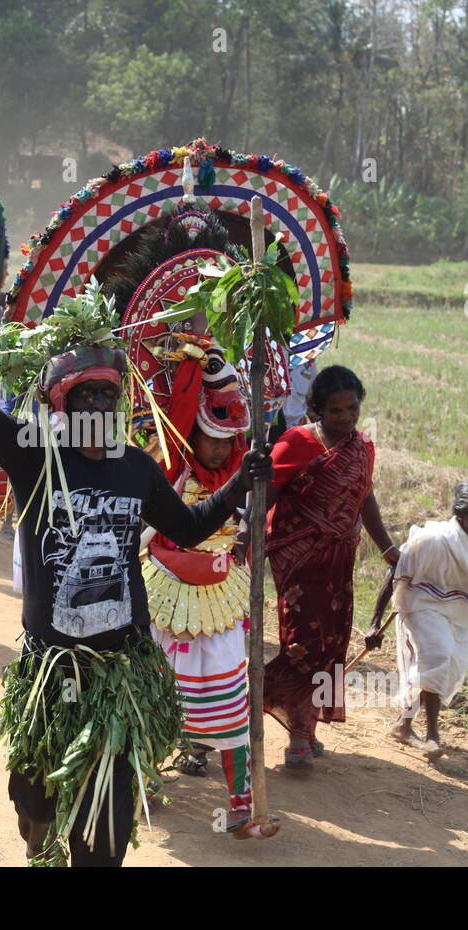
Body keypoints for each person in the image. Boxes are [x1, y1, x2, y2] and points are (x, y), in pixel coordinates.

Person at [0, 252, 272, 866]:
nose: (95, 406)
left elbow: (189, 526)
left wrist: (237, 488)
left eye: (105, 395)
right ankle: (37, 831)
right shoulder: (35, 457)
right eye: (82, 396)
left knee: (107, 830)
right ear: (61, 407)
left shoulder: (136, 468)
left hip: (119, 669)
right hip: (53, 669)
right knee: (35, 800)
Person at [143, 346, 278, 840]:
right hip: (166, 601)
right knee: (159, 695)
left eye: (229, 439)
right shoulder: (169, 466)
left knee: (232, 704)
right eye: (211, 437)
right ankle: (145, 780)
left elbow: (249, 528)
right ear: (189, 431)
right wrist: (190, 362)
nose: (221, 449)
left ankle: (243, 808)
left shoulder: (243, 472)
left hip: (222, 602)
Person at [263, 365, 400, 770]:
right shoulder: (296, 443)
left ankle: (304, 726)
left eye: (352, 409)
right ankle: (292, 730)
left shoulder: (361, 448)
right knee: (302, 642)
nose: (345, 418)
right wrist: (245, 543)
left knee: (330, 644)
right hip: (299, 560)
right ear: (317, 409)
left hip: (340, 559)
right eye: (335, 411)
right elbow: (266, 496)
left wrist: (387, 547)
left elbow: (365, 499)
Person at [366, 478, 468, 760]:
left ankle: (403, 725)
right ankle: (433, 736)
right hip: (421, 606)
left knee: (448, 668)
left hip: (456, 610)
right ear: (461, 513)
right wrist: (375, 623)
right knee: (438, 656)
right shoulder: (433, 539)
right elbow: (395, 571)